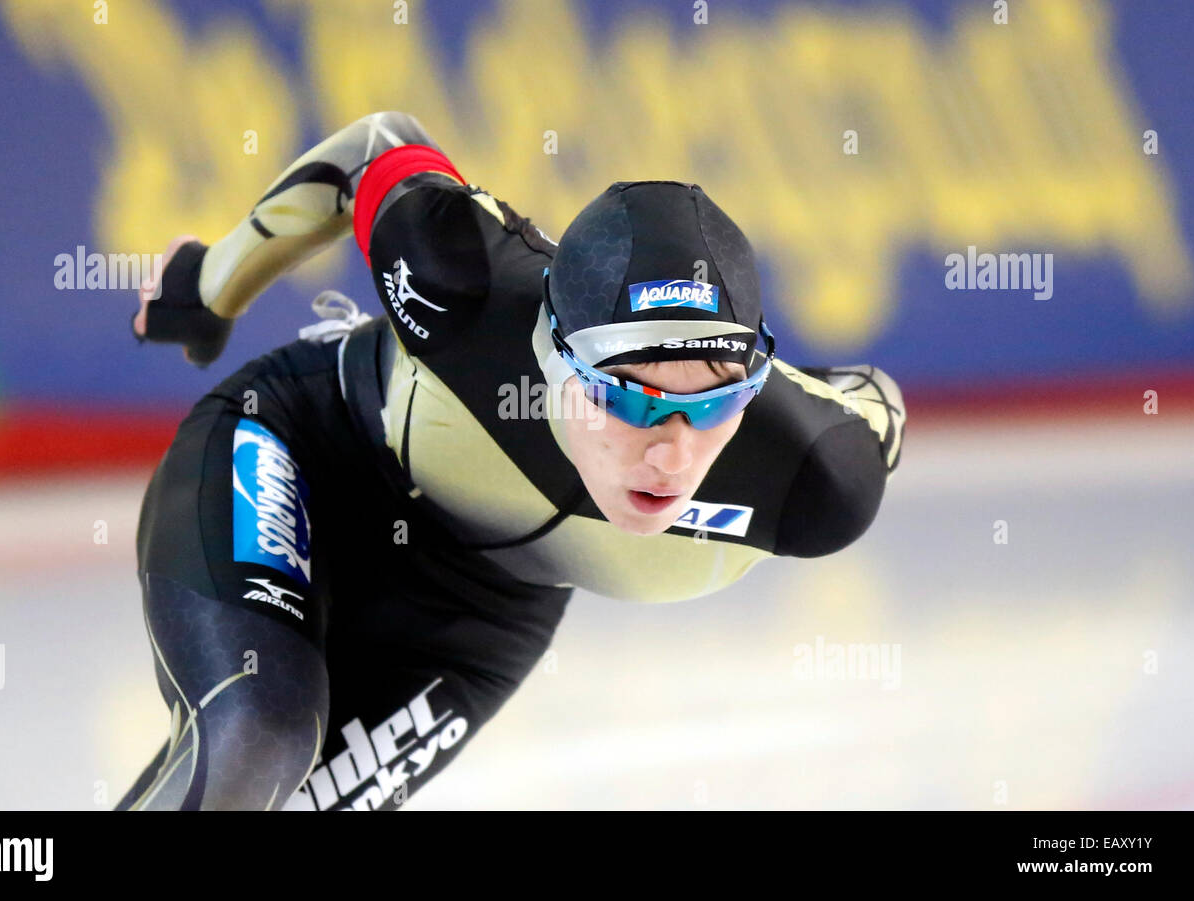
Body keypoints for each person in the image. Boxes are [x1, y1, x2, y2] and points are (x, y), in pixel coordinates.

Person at [116, 111, 905, 811]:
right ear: (554, 360)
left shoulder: (814, 476)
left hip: (479, 615)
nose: (671, 450)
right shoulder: (464, 285)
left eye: (712, 403)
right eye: (625, 396)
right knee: (260, 733)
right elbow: (376, 147)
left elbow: (869, 399)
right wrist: (212, 283)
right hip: (312, 445)